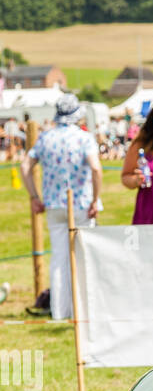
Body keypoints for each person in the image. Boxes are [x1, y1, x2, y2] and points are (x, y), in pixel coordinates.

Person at [20, 94, 102, 322]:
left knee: (58, 258)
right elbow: (96, 169)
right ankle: (83, 310)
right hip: (82, 205)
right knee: (82, 257)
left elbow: (25, 165)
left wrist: (34, 196)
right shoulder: (84, 138)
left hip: (54, 205)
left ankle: (59, 310)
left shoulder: (46, 138)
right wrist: (96, 199)